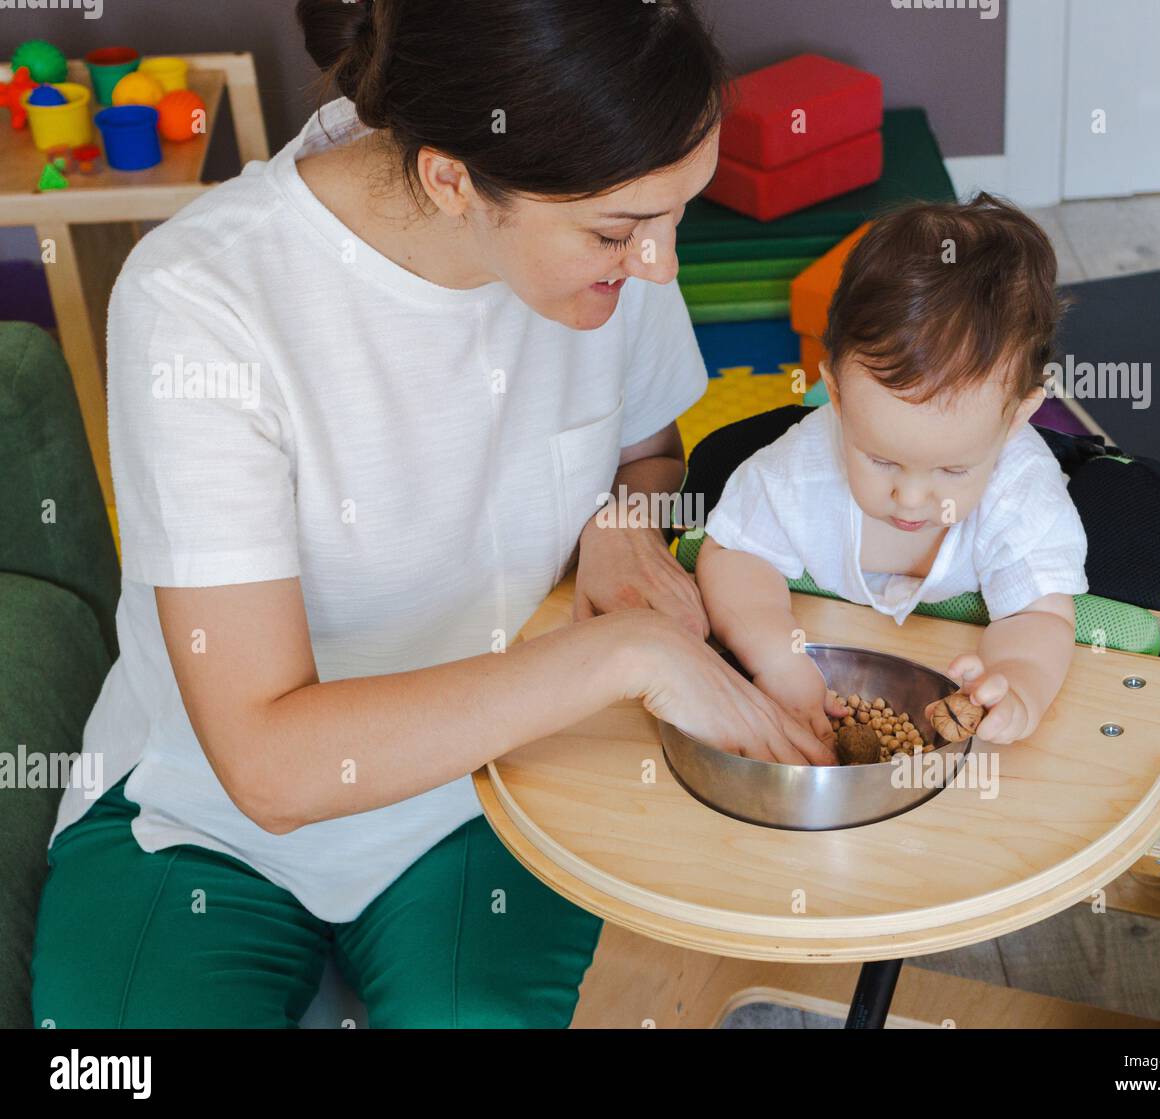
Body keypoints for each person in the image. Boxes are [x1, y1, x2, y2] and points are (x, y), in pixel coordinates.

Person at [30, 0, 828, 1031]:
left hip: (497, 783)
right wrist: (626, 654)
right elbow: (268, 766)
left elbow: (648, 455)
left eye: (677, 214)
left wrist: (619, 522)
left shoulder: (616, 236)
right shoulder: (201, 303)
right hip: (205, 813)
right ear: (452, 178)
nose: (660, 264)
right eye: (619, 231)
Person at [696, 194, 1089, 752]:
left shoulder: (1021, 492)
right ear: (836, 395)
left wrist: (1017, 684)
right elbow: (733, 556)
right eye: (881, 461)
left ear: (1017, 418)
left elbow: (1040, 614)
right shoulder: (803, 467)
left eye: (953, 469)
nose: (910, 497)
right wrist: (779, 661)